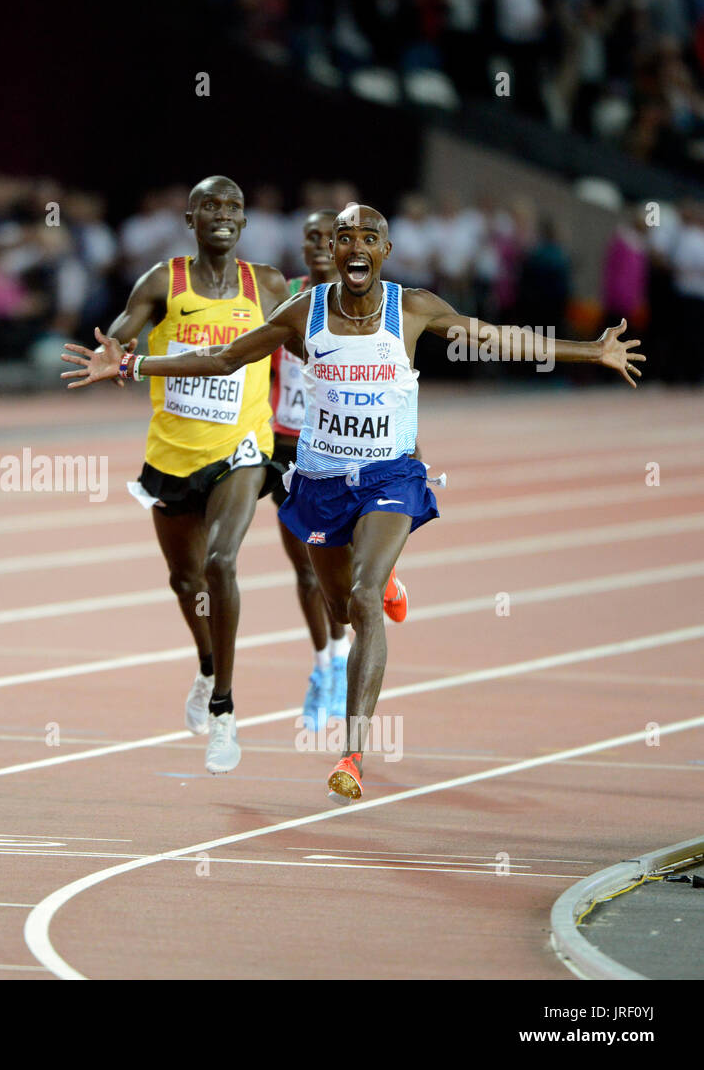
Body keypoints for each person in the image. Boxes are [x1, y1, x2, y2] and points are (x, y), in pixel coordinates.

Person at [63, 203, 644, 804]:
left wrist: (590, 351)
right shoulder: (302, 313)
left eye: (369, 237)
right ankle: (385, 583)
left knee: (362, 601)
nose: (356, 246)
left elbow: (495, 338)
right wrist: (132, 363)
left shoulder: (411, 308)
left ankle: (352, 754)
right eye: (346, 238)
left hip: (389, 475)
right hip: (320, 482)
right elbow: (224, 358)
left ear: (384, 251)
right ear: (335, 251)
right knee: (340, 608)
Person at [93, 175, 289, 774]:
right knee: (184, 581)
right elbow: (121, 335)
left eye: (233, 206)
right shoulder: (163, 282)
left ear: (245, 222)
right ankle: (206, 667)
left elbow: (309, 348)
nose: (222, 214)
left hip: (244, 448)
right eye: (210, 205)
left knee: (220, 563)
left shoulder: (269, 285)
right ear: (191, 218)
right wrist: (112, 354)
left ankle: (226, 712)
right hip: (175, 454)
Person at [270, 210, 352, 732]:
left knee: (342, 566)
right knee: (303, 564)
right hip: (286, 445)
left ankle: (344, 651)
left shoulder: (365, 303)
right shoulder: (285, 299)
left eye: (332, 237)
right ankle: (325, 664)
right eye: (312, 238)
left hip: (343, 449)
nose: (321, 245)